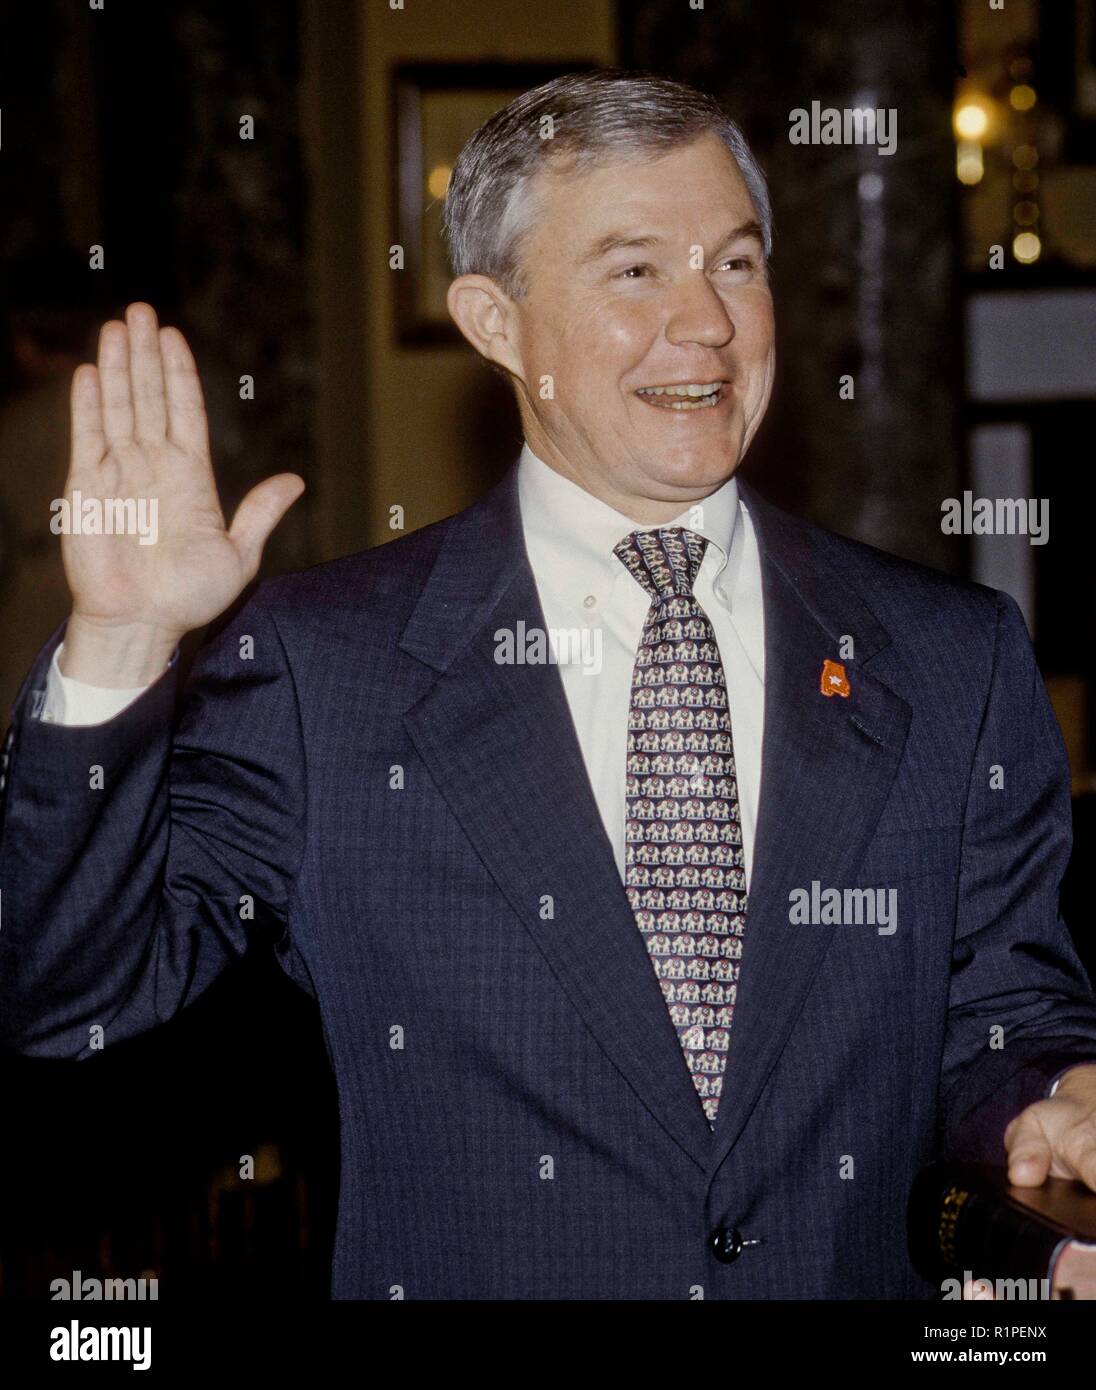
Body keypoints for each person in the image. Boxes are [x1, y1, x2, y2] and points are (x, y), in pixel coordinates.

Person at [2, 69, 1096, 1300]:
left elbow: (996, 1012)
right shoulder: (327, 669)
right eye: (636, 271)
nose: (709, 324)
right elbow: (64, 1001)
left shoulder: (949, 654)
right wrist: (123, 645)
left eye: (735, 264)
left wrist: (1053, 1094)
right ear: (494, 321)